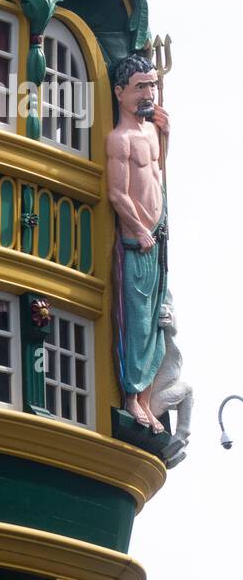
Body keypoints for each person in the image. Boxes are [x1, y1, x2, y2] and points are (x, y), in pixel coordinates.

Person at [106, 53, 171, 432]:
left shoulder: (151, 131)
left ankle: (146, 399)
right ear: (119, 93)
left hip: (158, 237)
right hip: (137, 242)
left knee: (157, 325)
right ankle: (131, 396)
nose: (148, 93)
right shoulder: (119, 139)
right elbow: (118, 194)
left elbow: (161, 175)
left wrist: (168, 134)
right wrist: (139, 228)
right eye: (140, 87)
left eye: (151, 85)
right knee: (138, 322)